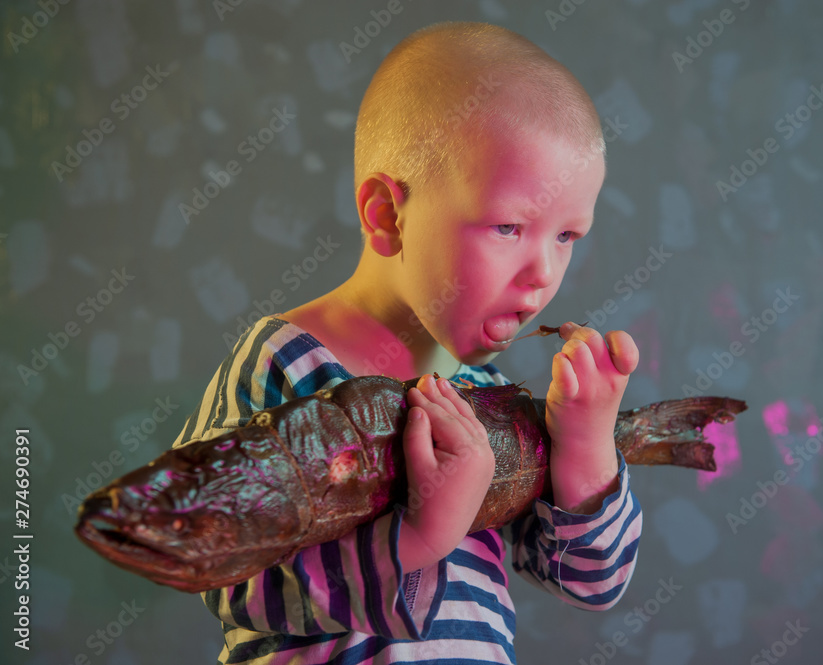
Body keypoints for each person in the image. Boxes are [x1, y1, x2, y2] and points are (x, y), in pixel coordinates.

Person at [170, 20, 643, 664]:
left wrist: (586, 446)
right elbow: (216, 562)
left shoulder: (495, 398)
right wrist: (419, 536)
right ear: (388, 216)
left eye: (566, 237)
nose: (544, 274)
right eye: (508, 226)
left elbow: (591, 583)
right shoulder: (286, 360)